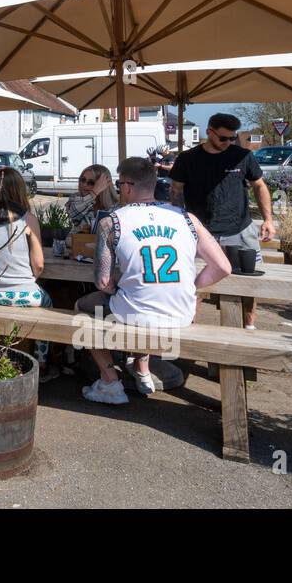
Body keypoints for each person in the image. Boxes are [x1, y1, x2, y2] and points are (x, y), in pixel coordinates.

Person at [76, 157, 231, 404]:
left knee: (85, 308)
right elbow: (223, 267)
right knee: (141, 302)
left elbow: (103, 281)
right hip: (181, 313)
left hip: (135, 313)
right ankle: (143, 369)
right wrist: (191, 287)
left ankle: (109, 381)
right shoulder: (188, 219)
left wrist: (118, 288)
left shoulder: (112, 222)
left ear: (126, 186)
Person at [169, 112, 276, 330]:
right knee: (194, 285)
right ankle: (191, 328)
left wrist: (268, 220)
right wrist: (179, 222)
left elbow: (260, 186)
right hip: (201, 232)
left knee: (248, 285)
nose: (228, 143)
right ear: (209, 132)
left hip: (240, 229)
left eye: (232, 138)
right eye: (223, 138)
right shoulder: (188, 159)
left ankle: (249, 329)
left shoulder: (242, 156)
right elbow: (176, 190)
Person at [0, 169, 45, 307]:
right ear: (20, 190)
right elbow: (39, 265)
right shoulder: (29, 220)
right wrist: (27, 281)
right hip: (26, 294)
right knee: (50, 304)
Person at [66, 164, 119, 233]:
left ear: (103, 185)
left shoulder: (115, 205)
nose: (84, 184)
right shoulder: (75, 198)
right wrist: (94, 192)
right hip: (79, 242)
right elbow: (73, 214)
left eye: (91, 182)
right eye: (83, 180)